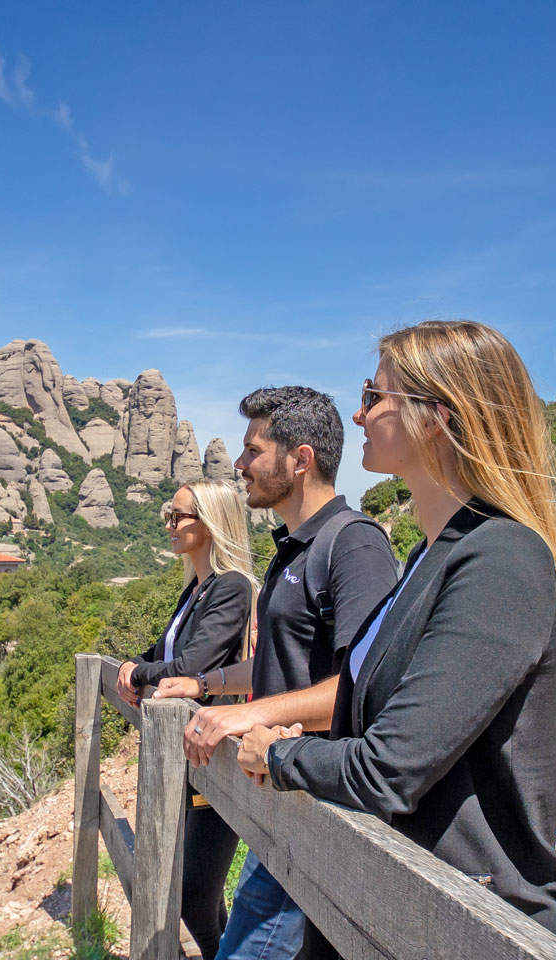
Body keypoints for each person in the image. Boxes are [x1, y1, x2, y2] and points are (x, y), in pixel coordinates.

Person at [237, 321, 556, 959]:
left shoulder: (500, 557)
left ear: (437, 416)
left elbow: (387, 768)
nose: (357, 414)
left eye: (374, 396)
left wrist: (275, 757)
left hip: (475, 924)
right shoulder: (428, 556)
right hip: (395, 898)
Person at [155, 387, 399, 960]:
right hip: (284, 797)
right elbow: (280, 667)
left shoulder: (354, 544)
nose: (239, 465)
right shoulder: (292, 549)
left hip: (324, 807)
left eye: (253, 450)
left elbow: (363, 687)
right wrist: (207, 686)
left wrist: (248, 713)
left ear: (301, 459)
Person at [115, 479, 256, 960]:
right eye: (167, 516)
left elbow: (189, 665)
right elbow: (161, 654)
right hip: (193, 755)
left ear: (211, 523)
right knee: (200, 893)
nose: (170, 525)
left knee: (193, 892)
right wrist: (131, 665)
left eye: (180, 516)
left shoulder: (231, 587)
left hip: (219, 754)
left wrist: (141, 672)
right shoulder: (195, 590)